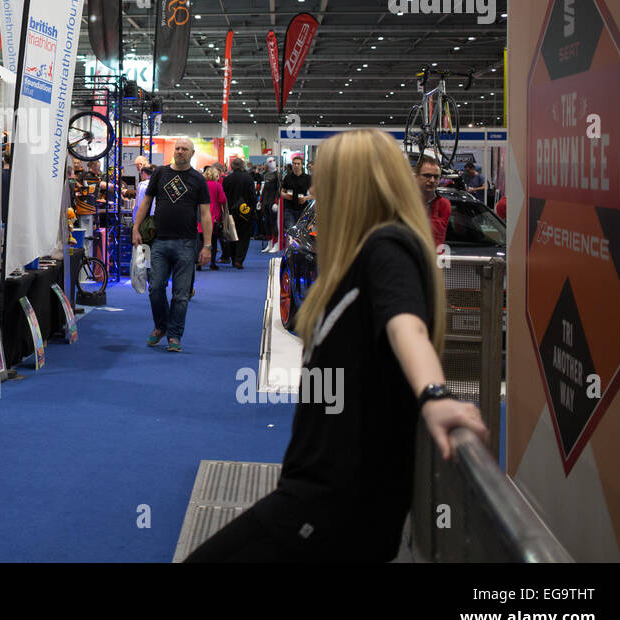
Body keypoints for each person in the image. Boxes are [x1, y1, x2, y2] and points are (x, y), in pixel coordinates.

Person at [185, 129, 487, 562]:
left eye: (324, 178)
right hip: (323, 493)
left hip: (336, 501)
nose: (314, 188)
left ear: (353, 186)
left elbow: (407, 325)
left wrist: (435, 394)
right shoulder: (360, 256)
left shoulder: (389, 246)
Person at [131, 138, 214, 353]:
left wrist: (207, 245)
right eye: (177, 148)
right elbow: (146, 203)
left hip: (187, 244)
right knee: (155, 288)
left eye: (184, 149)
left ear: (192, 153)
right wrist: (135, 228)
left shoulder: (198, 179)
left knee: (181, 294)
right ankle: (161, 326)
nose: (179, 151)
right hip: (159, 241)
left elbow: (206, 214)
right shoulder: (160, 173)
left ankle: (174, 335)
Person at [222, 156, 256, 269]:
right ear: (243, 166)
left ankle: (233, 258)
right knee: (244, 237)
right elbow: (253, 197)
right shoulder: (249, 179)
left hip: (231, 211)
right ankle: (239, 260)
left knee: (232, 236)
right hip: (245, 211)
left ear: (231, 167)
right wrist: (252, 209)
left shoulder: (227, 180)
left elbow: (224, 197)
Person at [414, 154, 452, 250]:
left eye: (436, 177)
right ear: (416, 177)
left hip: (435, 260)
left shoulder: (444, 205)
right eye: (427, 175)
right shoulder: (404, 203)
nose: (432, 180)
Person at [200, 165, 226, 272]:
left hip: (200, 214)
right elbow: (223, 200)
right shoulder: (217, 185)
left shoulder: (201, 185)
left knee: (201, 240)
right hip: (213, 215)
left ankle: (199, 263)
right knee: (213, 241)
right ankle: (213, 263)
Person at [280, 154, 312, 234]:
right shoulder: (287, 177)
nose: (296, 165)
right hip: (289, 209)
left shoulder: (307, 178)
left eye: (298, 164)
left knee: (301, 233)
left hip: (302, 210)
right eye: (294, 163)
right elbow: (281, 192)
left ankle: (299, 247)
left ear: (302, 165)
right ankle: (291, 246)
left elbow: (314, 194)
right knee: (291, 231)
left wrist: (305, 198)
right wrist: (285, 195)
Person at [259, 157, 282, 251]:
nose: (271, 163)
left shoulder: (278, 175)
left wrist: (276, 202)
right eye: (269, 162)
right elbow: (264, 189)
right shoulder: (266, 175)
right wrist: (260, 201)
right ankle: (269, 243)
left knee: (273, 223)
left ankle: (276, 244)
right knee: (267, 223)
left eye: (272, 161)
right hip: (266, 201)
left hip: (273, 202)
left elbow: (279, 189)